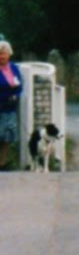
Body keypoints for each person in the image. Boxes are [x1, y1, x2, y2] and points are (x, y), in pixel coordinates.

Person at [0, 41, 21, 170]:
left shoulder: (13, 67)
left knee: (7, 136)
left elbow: (20, 85)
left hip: (10, 107)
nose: (1, 56)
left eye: (4, 54)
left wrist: (16, 95)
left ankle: (2, 163)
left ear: (9, 54)